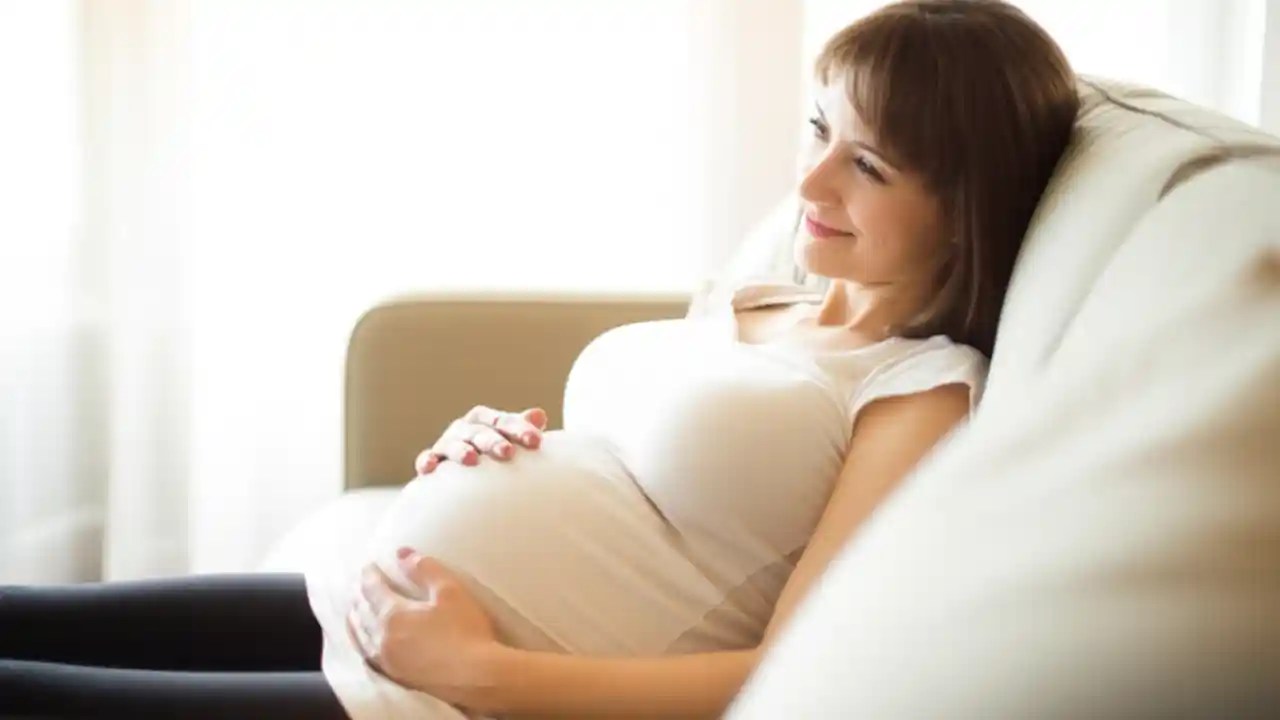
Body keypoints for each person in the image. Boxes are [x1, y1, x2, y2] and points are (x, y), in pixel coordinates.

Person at [0, 1, 1080, 717]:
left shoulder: (919, 393)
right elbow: (643, 490)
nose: (807, 183)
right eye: (815, 129)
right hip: (373, 602)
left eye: (867, 166)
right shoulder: (770, 294)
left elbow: (797, 674)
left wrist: (482, 671)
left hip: (434, 696)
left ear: (964, 208)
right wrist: (500, 442)